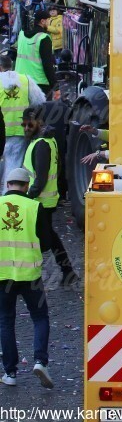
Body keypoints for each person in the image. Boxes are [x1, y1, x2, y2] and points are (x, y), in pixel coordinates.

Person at [0, 167, 52, 389]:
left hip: (2, 275)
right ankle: (40, 361)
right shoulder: (34, 207)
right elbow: (47, 242)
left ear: (7, 184)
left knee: (5, 321)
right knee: (40, 317)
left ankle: (10, 373)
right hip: (30, 274)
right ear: (26, 186)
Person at [21, 107, 78, 287]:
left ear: (39, 122)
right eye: (23, 124)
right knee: (49, 237)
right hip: (44, 200)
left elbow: (41, 177)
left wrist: (28, 196)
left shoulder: (41, 144)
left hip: (39, 201)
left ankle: (33, 276)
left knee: (42, 239)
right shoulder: (46, 140)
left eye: (29, 124)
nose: (25, 128)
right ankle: (67, 272)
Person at [0, 54, 45, 194]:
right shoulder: (25, 80)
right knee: (13, 170)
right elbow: (40, 101)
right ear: (11, 66)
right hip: (19, 133)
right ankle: (7, 199)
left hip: (3, 131)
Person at [15, 10, 56, 95]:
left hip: (20, 80)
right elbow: (47, 64)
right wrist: (55, 86)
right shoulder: (44, 38)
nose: (49, 22)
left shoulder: (21, 35)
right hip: (38, 83)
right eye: (48, 20)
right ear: (42, 21)